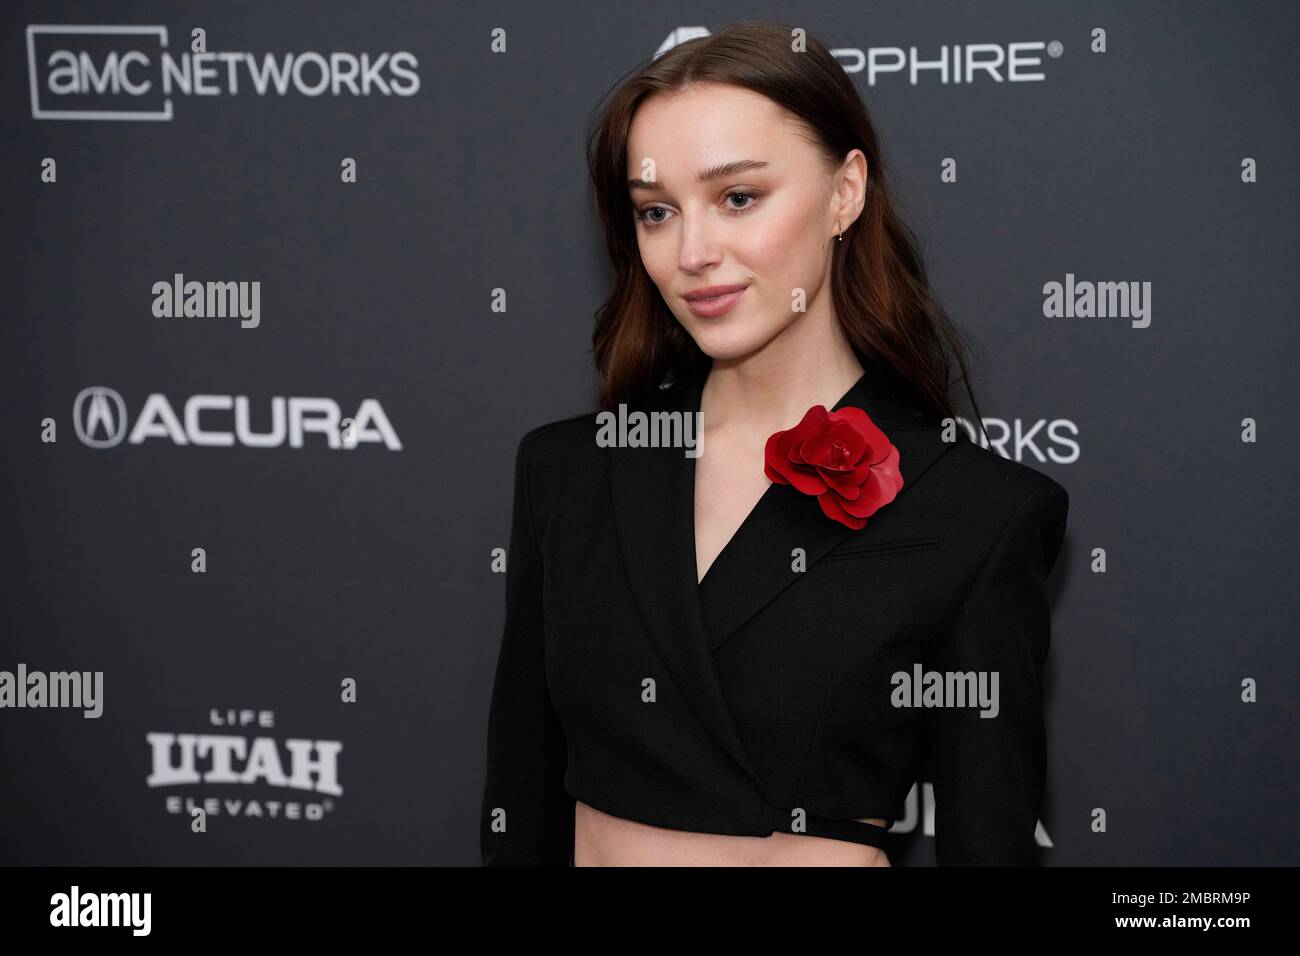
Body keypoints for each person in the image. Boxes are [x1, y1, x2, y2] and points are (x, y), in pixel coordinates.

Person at [481, 21, 1069, 866]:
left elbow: (992, 842)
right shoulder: (567, 475)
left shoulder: (977, 514)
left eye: (739, 197)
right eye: (656, 212)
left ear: (845, 193)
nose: (693, 253)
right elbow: (519, 805)